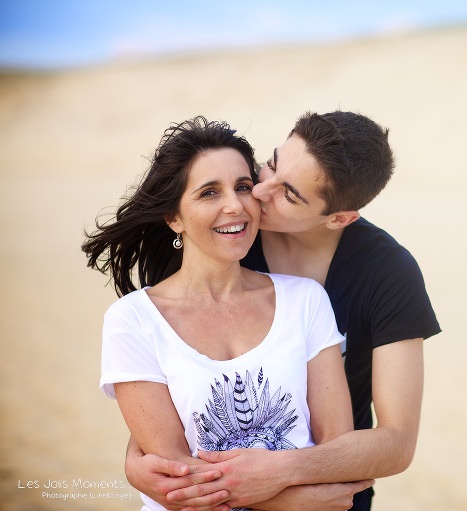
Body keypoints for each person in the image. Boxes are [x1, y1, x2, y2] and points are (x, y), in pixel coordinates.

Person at [125, 111, 442, 511]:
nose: (258, 192)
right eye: (271, 164)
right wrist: (136, 460)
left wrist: (283, 472)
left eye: (288, 193)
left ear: (339, 218)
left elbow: (396, 443)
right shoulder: (225, 237)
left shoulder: (387, 272)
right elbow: (170, 381)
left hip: (326, 495)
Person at [82, 116, 358, 511]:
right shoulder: (133, 320)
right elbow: (179, 482)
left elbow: (337, 456)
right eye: (209, 192)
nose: (235, 205)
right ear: (174, 217)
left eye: (243, 187)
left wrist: (308, 483)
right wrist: (293, 498)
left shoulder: (306, 301)